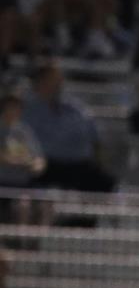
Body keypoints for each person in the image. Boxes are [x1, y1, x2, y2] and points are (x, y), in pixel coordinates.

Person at [23, 61, 114, 191]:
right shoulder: (26, 109)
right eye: (52, 79)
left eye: (59, 79)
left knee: (105, 183)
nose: (58, 83)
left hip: (77, 166)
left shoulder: (75, 108)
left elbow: (95, 136)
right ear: (39, 81)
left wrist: (100, 162)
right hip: (44, 165)